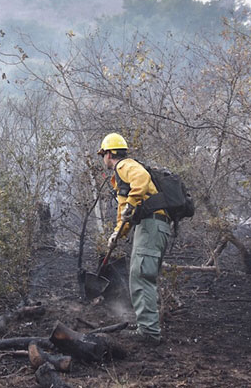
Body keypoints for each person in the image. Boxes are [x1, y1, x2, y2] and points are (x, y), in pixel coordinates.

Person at [99, 132, 171, 346]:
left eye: (103, 154)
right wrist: (117, 234)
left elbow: (141, 180)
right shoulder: (121, 176)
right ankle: (147, 327)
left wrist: (131, 203)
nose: (103, 158)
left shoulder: (125, 166)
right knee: (140, 274)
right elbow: (125, 212)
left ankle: (149, 332)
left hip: (151, 225)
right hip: (152, 226)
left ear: (110, 153)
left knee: (140, 275)